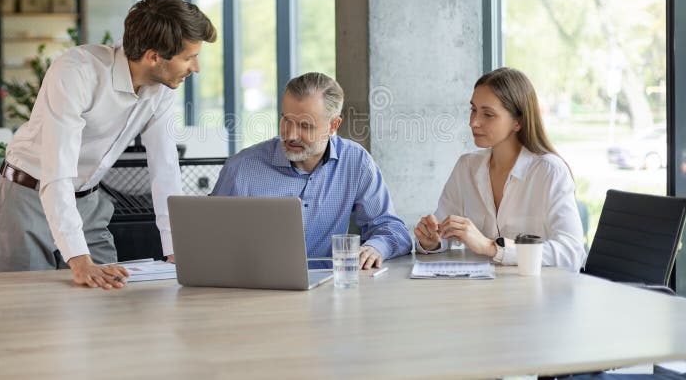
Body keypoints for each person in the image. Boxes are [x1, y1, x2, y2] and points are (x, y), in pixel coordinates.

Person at [0, 0, 217, 289]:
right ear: (154, 56)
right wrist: (78, 259)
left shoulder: (161, 90)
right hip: (28, 196)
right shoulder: (76, 72)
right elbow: (57, 171)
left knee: (108, 297)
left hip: (88, 201)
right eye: (189, 57)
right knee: (27, 305)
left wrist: (176, 250)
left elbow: (165, 168)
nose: (196, 67)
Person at [211, 72, 412, 269]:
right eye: (286, 120)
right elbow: (208, 238)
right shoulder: (241, 169)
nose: (290, 135)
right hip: (255, 289)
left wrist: (375, 247)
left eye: (305, 126)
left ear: (333, 126)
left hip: (331, 290)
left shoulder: (355, 162)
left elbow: (394, 230)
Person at [414, 67, 585, 271]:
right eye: (473, 110)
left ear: (518, 122)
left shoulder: (549, 172)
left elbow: (571, 252)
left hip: (534, 297)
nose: (473, 122)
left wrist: (492, 248)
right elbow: (442, 235)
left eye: (488, 114)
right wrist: (431, 241)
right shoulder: (466, 167)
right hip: (479, 296)